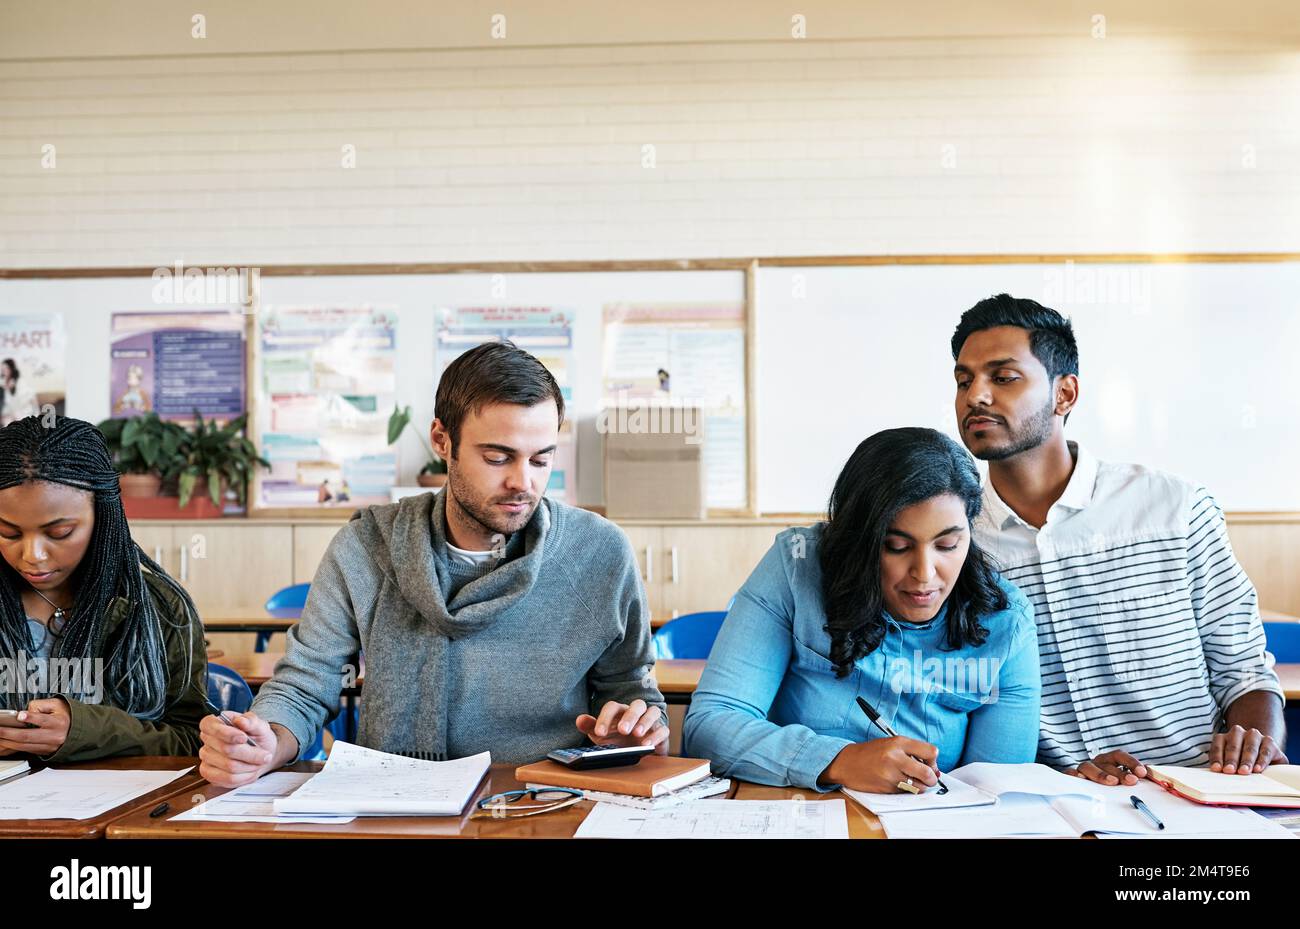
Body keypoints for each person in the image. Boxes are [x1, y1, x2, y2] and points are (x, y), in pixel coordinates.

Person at [199, 341, 668, 787]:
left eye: (540, 459)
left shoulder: (599, 551)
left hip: (543, 801)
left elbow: (631, 691)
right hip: (390, 801)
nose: (523, 482)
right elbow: (306, 683)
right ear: (442, 440)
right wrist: (264, 744)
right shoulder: (366, 545)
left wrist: (633, 728)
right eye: (498, 457)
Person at [951, 294, 1286, 785]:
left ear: (1064, 395)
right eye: (964, 381)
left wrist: (1253, 752)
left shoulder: (1173, 508)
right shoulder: (954, 544)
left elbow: (1244, 670)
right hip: (1050, 803)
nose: (976, 395)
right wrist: (1062, 777)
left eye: (1002, 377)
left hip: (1196, 789)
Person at [683, 427, 1040, 793]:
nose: (924, 574)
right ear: (859, 539)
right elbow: (710, 727)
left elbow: (998, 789)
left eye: (948, 544)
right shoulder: (797, 566)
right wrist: (839, 761)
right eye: (896, 546)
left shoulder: (1006, 622)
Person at [0, 415, 205, 762]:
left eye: (60, 532)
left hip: (121, 811)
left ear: (103, 515)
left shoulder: (157, 608)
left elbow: (193, 741)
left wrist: (85, 731)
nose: (32, 555)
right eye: (9, 532)